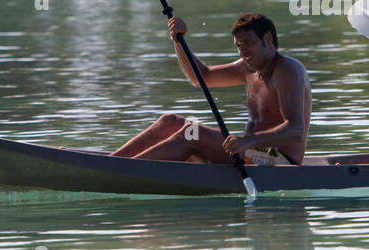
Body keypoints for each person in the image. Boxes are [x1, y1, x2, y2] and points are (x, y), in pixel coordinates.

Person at [112, 12, 311, 164]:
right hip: (249, 150)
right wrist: (179, 41)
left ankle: (120, 172)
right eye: (239, 46)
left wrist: (248, 141)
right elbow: (201, 77)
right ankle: (111, 163)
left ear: (268, 40)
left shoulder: (287, 70)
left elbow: (295, 130)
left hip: (280, 162)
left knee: (192, 133)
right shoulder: (247, 68)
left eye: (248, 43)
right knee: (170, 121)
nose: (243, 52)